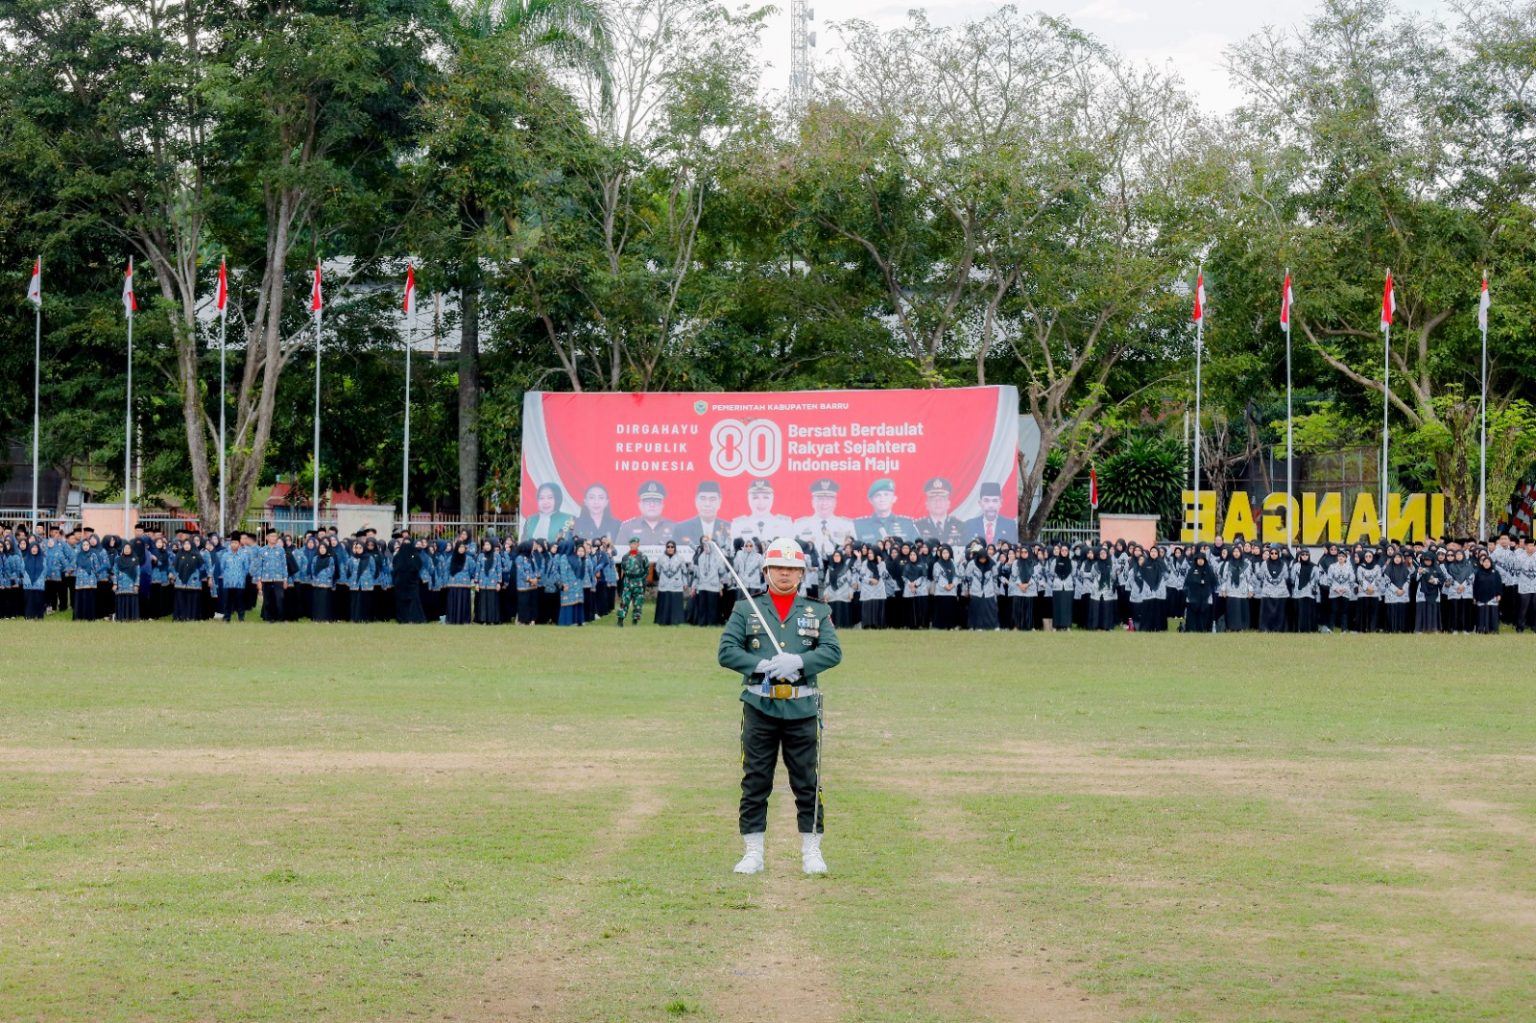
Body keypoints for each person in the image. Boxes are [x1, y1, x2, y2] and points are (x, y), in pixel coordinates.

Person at [717, 536, 842, 875]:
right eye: (778, 568)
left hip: (801, 710)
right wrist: (759, 666)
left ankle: (811, 851)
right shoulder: (747, 608)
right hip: (759, 707)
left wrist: (799, 662)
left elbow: (832, 652)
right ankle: (753, 852)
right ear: (766, 570)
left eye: (792, 568)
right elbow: (726, 652)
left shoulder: (817, 611)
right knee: (756, 779)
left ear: (801, 574)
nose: (785, 574)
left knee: (807, 782)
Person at [793, 478, 858, 555]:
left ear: (835, 502)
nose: (824, 503)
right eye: (820, 499)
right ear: (812, 502)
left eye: (828, 499)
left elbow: (853, 549)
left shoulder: (846, 525)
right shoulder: (800, 525)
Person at [731, 479, 794, 545]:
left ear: (772, 498)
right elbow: (734, 551)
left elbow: (790, 549)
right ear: (748, 498)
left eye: (766, 497)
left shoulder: (784, 524)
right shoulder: (738, 525)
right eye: (755, 498)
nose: (761, 503)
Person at [677, 481, 734, 552]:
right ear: (696, 501)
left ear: (720, 502)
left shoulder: (731, 528)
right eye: (703, 498)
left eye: (712, 499)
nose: (707, 504)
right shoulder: (681, 528)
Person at [853, 478, 916, 543]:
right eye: (878, 495)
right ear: (870, 500)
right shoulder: (859, 526)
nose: (882, 499)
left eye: (886, 495)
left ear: (894, 498)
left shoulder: (908, 524)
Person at [620, 480, 676, 546]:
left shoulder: (674, 527)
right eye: (647, 501)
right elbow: (619, 554)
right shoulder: (627, 527)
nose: (652, 505)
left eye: (656, 501)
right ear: (640, 505)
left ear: (662, 505)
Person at [616, 536, 649, 627]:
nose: (634, 545)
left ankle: (635, 621)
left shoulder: (643, 557)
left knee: (638, 602)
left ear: (638, 544)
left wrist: (641, 579)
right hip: (628, 583)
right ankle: (620, 620)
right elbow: (623, 568)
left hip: (638, 582)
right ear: (629, 545)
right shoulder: (625, 557)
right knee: (624, 602)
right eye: (632, 544)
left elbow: (646, 570)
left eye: (636, 543)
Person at [654, 540, 688, 625]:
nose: (670, 548)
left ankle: (676, 621)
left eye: (672, 547)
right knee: (664, 604)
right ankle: (663, 621)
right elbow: (657, 570)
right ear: (666, 548)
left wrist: (685, 583)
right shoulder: (661, 558)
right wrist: (662, 579)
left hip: (676, 586)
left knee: (675, 605)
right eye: (668, 547)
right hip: (664, 586)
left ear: (675, 548)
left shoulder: (680, 558)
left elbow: (684, 572)